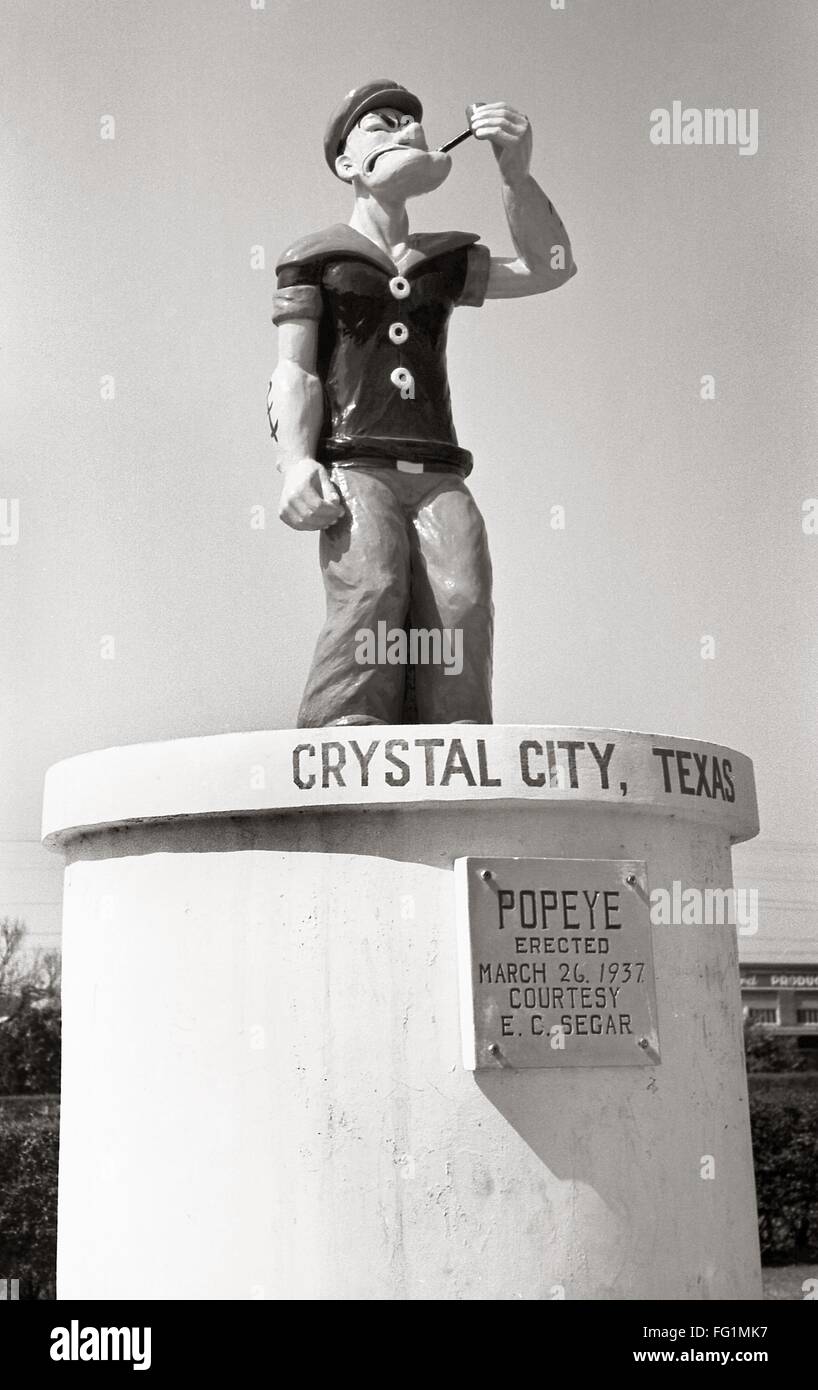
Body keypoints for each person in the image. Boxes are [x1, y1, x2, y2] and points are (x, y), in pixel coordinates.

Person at [269, 79, 576, 727]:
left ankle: (456, 731)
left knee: (462, 595)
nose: (407, 131)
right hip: (357, 463)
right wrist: (296, 461)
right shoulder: (317, 259)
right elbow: (294, 371)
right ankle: (344, 726)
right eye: (382, 124)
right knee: (372, 583)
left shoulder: (445, 260)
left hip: (436, 467)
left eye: (413, 122)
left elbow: (549, 266)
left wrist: (516, 176)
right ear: (347, 164)